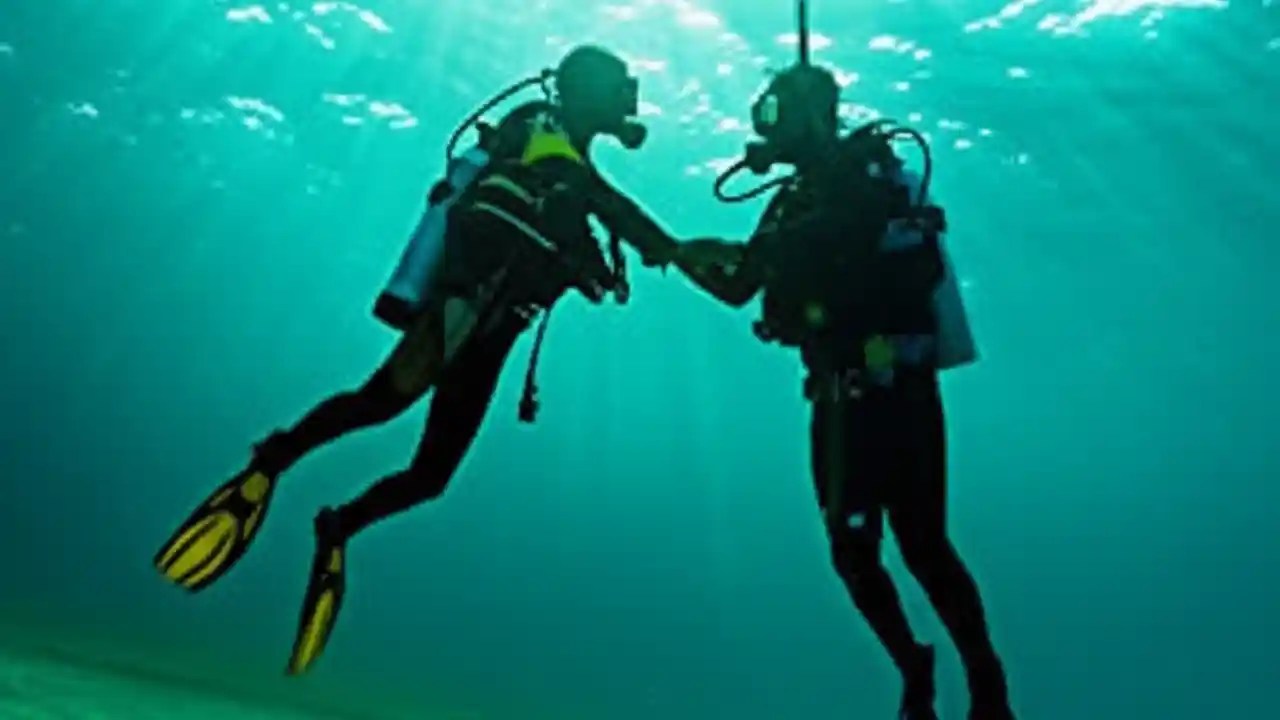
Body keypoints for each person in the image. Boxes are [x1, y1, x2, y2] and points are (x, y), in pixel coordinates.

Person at [153, 45, 680, 676]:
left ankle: (339, 525)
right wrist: (666, 244)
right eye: (620, 85)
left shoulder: (568, 158)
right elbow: (581, 191)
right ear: (586, 88)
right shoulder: (542, 128)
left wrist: (606, 259)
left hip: (492, 331)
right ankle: (272, 464)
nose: (630, 97)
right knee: (382, 402)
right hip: (464, 307)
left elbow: (581, 217)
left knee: (430, 475)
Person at [670, 62, 1016, 720]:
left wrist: (755, 251)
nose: (764, 127)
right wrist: (678, 253)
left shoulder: (865, 175)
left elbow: (837, 237)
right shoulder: (793, 198)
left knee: (923, 544)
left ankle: (986, 681)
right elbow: (743, 285)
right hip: (833, 399)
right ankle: (915, 663)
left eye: (773, 113)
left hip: (898, 390)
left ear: (808, 114)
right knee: (851, 552)